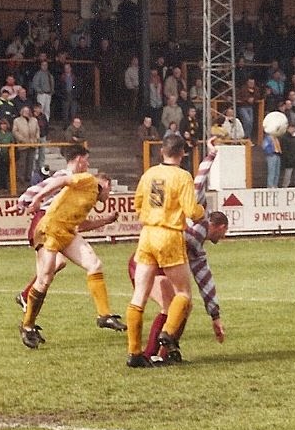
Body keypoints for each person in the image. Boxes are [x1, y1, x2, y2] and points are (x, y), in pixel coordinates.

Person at [127, 138, 227, 363]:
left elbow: (137, 204)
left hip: (147, 234)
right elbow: (191, 210)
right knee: (183, 295)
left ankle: (134, 353)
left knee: (139, 296)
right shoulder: (182, 176)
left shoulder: (149, 173)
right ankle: (168, 334)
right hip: (169, 235)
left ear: (162, 151)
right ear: (182, 153)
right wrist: (202, 213)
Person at [19, 144, 121, 348]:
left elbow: (80, 225)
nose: (109, 196)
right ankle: (27, 325)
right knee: (45, 278)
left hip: (66, 232)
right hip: (50, 229)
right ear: (106, 184)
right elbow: (61, 180)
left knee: (94, 264)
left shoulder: (90, 196)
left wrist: (106, 221)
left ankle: (104, 315)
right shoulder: (88, 180)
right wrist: (37, 198)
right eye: (110, 191)